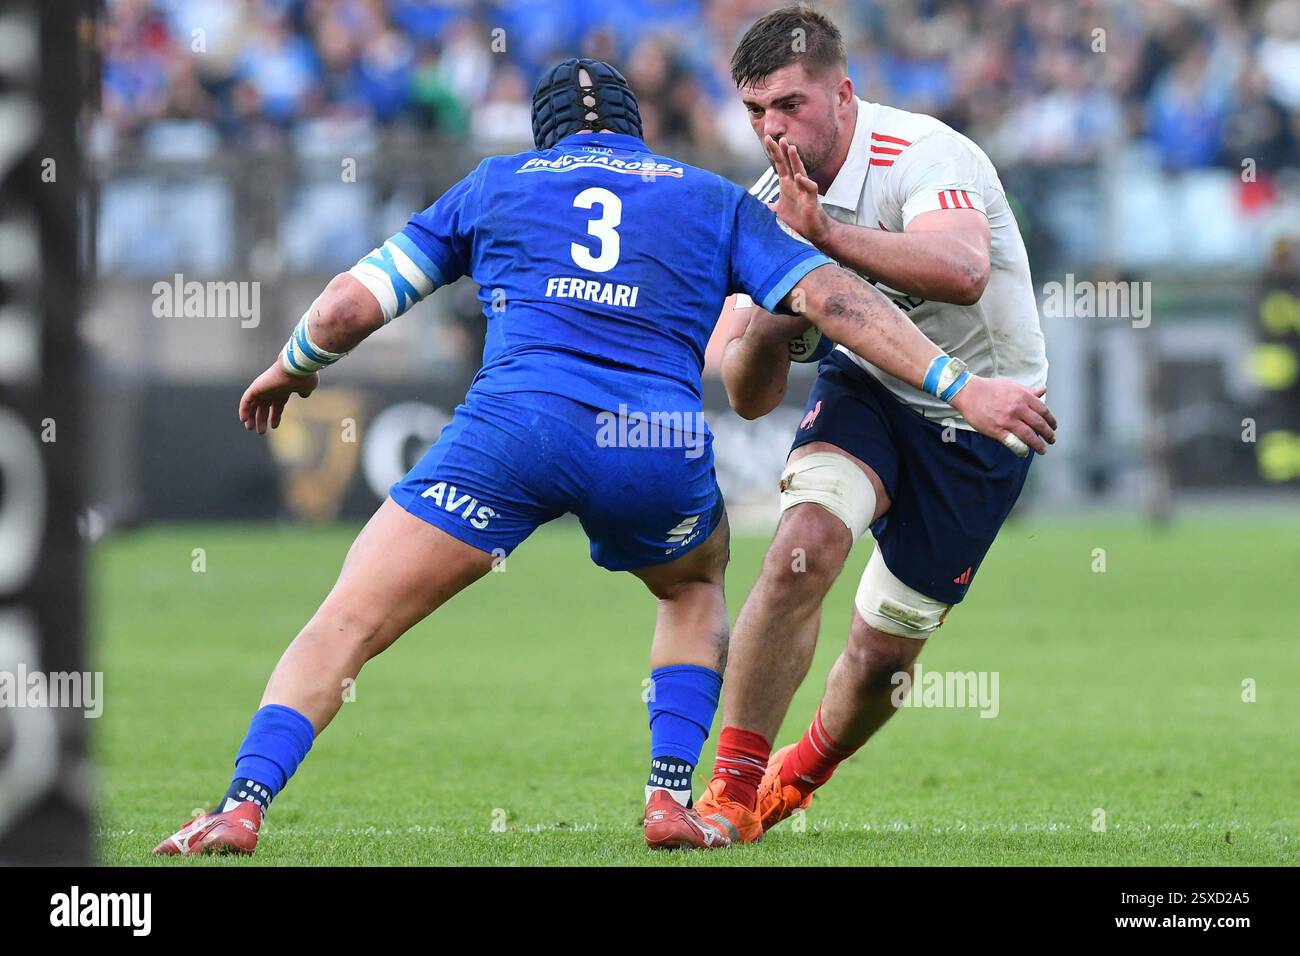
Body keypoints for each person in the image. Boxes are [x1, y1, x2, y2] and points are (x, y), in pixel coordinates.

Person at [153, 57, 1053, 856]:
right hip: (650, 445)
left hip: (511, 431)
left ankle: (241, 806)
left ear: (543, 136)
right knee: (694, 589)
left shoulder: (500, 183)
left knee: (345, 621)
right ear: (638, 131)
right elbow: (839, 304)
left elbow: (354, 304)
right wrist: (956, 381)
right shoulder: (711, 198)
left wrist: (291, 366)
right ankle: (669, 800)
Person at [695, 5, 1055, 843]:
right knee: (802, 549)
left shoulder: (924, 153)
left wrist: (825, 239)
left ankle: (803, 770)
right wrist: (781, 317)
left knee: (883, 656)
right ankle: (732, 789)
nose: (771, 128)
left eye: (789, 105)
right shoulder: (766, 206)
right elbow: (744, 389)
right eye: (755, 112)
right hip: (868, 388)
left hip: (985, 418)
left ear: (844, 94)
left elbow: (963, 271)